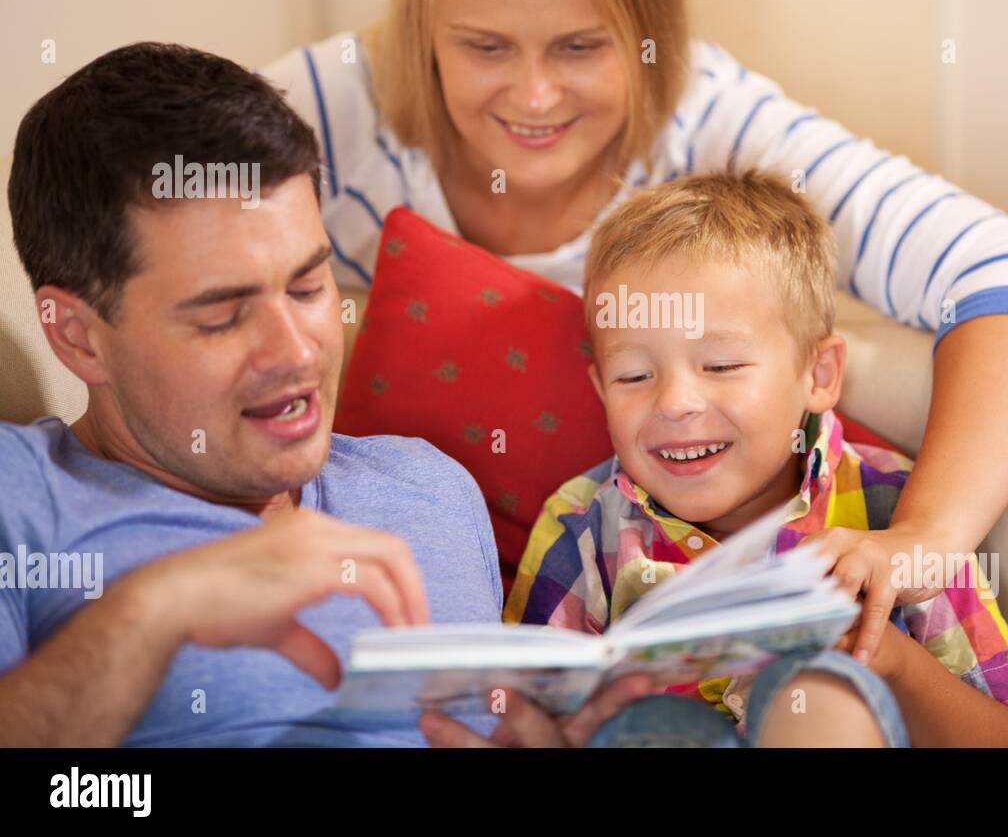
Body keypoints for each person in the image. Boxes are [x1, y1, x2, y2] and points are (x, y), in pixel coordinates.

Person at [259, 0, 1008, 667]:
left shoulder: (709, 113)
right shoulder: (330, 105)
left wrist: (924, 534)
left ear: (647, 32)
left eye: (581, 46)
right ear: (421, 35)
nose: (536, 94)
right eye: (484, 47)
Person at [0, 41, 658, 746]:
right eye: (222, 315)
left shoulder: (431, 490)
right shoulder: (24, 500)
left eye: (309, 287)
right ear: (77, 337)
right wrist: (156, 609)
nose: (295, 352)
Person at [473, 171, 1008, 747]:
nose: (674, 403)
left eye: (720, 366)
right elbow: (521, 722)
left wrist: (887, 657)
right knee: (649, 727)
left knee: (821, 687)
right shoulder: (584, 524)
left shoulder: (901, 512)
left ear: (818, 376)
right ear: (601, 391)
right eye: (635, 375)